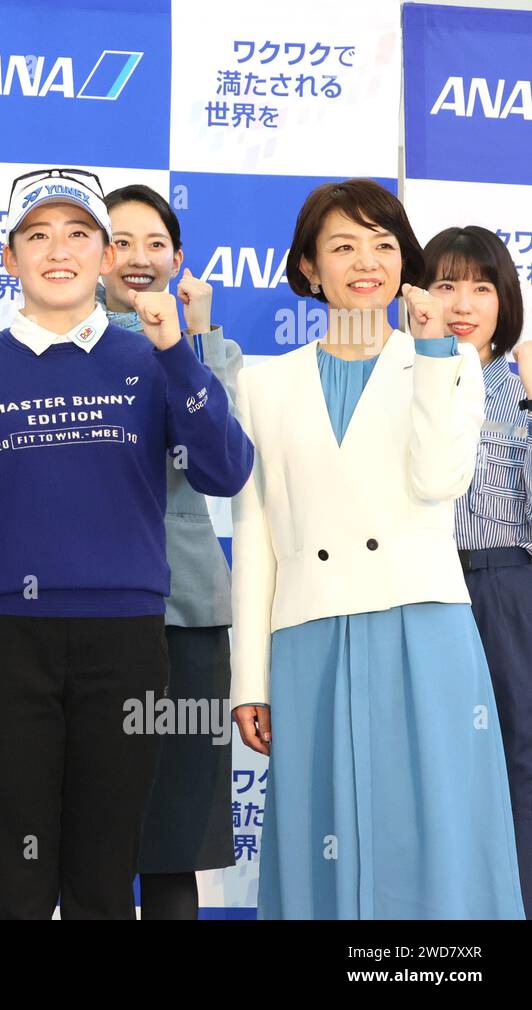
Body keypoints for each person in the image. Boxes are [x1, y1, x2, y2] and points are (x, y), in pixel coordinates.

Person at [0, 167, 253, 919]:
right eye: (37, 235)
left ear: (104, 258)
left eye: (77, 234)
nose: (57, 250)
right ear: (8, 258)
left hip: (124, 644)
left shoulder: (155, 361)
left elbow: (225, 471)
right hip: (0, 646)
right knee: (19, 882)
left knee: (104, 883)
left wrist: (177, 354)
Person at [231, 179, 525, 919]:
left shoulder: (449, 362)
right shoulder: (262, 383)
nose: (367, 261)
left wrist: (431, 353)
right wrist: (250, 680)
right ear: (308, 269)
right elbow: (258, 533)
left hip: (423, 624)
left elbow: (439, 480)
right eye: (344, 245)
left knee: (435, 830)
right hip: (311, 631)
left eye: (385, 245)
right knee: (321, 827)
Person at [98, 184, 240, 919]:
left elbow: (220, 460)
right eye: (119, 242)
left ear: (179, 259)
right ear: (93, 255)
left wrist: (193, 338)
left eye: (155, 244)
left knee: (173, 844)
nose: (138, 258)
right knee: (84, 839)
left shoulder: (212, 350)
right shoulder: (58, 351)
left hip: (185, 611)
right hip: (81, 615)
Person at [423, 225, 532, 915]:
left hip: (507, 584)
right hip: (423, 586)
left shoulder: (518, 386)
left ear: (504, 299)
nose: (463, 302)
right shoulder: (401, 378)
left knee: (519, 753)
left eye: (481, 286)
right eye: (445, 283)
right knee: (431, 757)